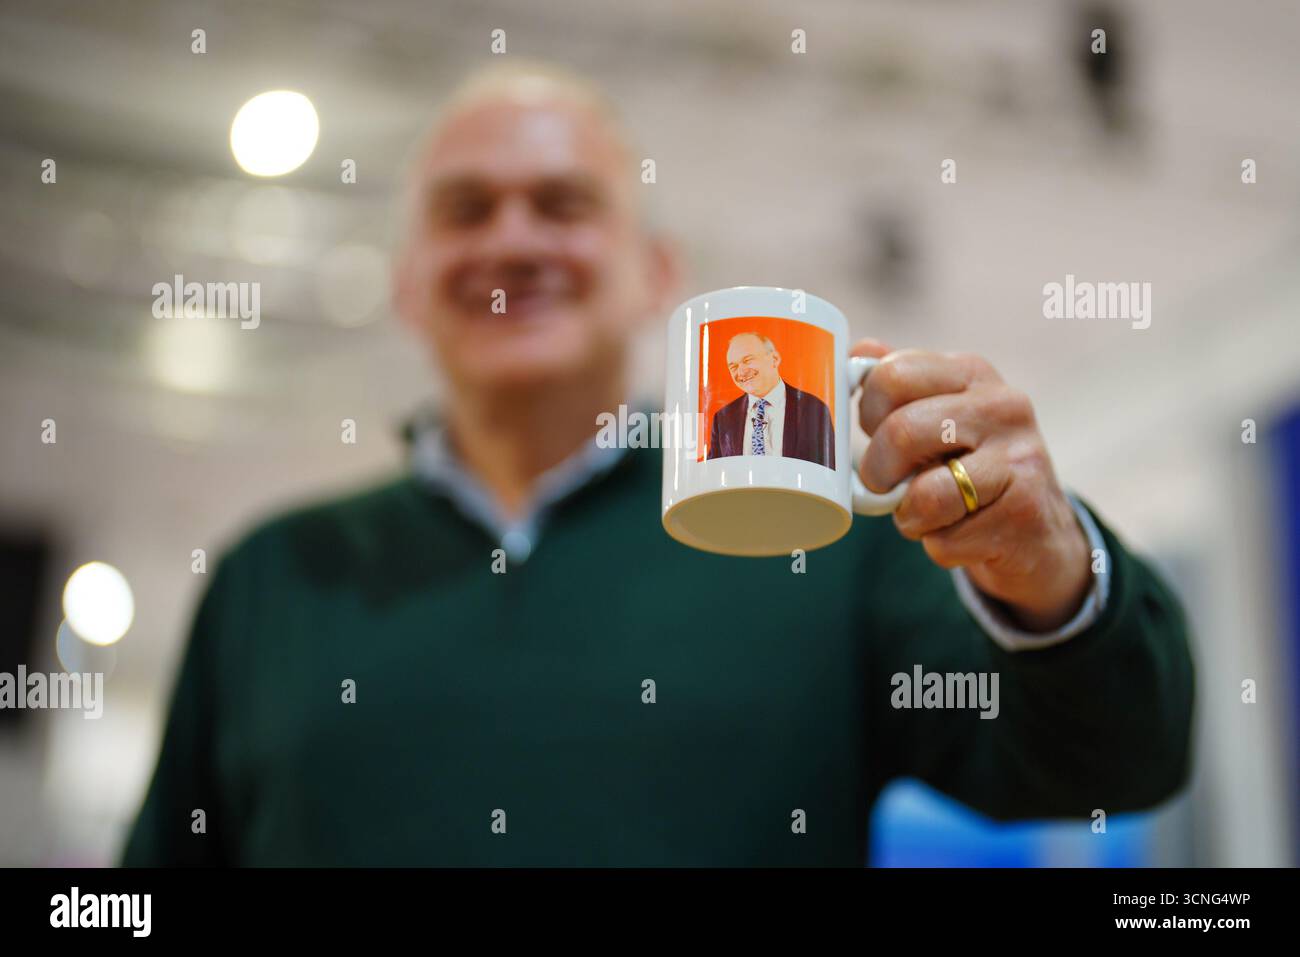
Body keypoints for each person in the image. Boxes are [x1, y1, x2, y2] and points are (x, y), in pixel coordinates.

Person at [121, 62, 1194, 867]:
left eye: (563, 203)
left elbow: (1118, 763)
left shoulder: (825, 549)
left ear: (655, 276)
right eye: (465, 210)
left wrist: (1050, 570)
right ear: (406, 285)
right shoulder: (274, 576)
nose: (513, 240)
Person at [707, 331, 835, 467]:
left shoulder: (814, 409)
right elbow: (713, 472)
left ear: (774, 359)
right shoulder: (723, 418)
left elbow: (828, 469)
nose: (741, 372)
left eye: (747, 360)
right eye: (733, 367)